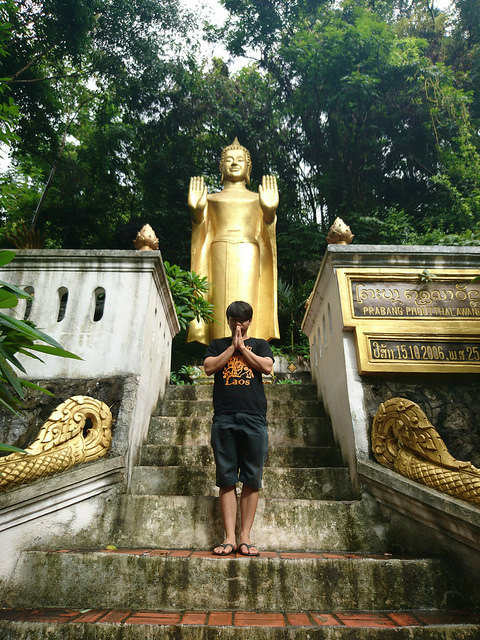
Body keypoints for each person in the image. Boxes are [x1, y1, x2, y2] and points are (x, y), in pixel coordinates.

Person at [188, 138, 280, 344]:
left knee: (248, 302)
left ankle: (251, 350)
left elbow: (266, 231)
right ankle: (220, 351)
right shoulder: (210, 199)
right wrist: (196, 213)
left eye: (240, 160)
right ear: (221, 167)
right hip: (218, 251)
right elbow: (202, 230)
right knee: (218, 303)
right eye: (229, 159)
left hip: (249, 252)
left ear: (249, 167)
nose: (234, 163)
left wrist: (269, 212)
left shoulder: (258, 198)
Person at [204, 300, 274, 556]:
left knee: (251, 479)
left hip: (254, 417)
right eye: (234, 319)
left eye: (242, 320)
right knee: (226, 478)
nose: (238, 324)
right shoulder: (217, 345)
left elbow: (266, 367)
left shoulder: (260, 345)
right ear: (228, 319)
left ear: (249, 321)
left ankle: (245, 537)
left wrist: (243, 349)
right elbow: (209, 368)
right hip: (224, 417)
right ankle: (229, 537)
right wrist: (231, 348)